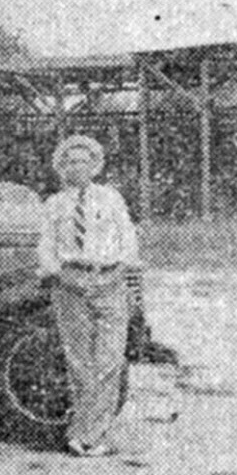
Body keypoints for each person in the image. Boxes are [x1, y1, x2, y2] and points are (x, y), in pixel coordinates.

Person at [36, 134, 141, 457]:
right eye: (69, 162)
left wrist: (122, 272)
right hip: (71, 285)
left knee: (109, 361)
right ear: (60, 168)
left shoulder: (111, 199)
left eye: (83, 161)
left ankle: (90, 433)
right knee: (79, 362)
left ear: (95, 166)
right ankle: (83, 435)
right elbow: (45, 247)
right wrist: (60, 275)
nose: (76, 167)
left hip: (109, 281)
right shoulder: (54, 205)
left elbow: (128, 239)